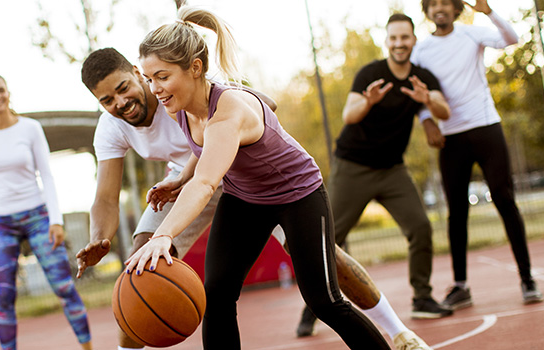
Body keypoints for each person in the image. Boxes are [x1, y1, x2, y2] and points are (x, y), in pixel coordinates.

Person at [77, 47, 430, 350]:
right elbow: (106, 196)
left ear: (137, 73)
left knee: (325, 275)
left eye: (123, 88)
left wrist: (233, 113)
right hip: (193, 179)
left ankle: (399, 331)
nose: (120, 103)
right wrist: (100, 237)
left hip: (251, 178)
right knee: (142, 264)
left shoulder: (188, 90)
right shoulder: (120, 124)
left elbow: (259, 108)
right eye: (106, 100)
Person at [126, 7, 392, 349]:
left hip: (298, 196)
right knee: (217, 293)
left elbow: (206, 183)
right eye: (149, 79)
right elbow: (205, 148)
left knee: (325, 302)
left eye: (162, 77)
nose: (155, 89)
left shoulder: (229, 110)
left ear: (195, 68)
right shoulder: (183, 106)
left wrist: (163, 234)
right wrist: (180, 179)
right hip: (246, 199)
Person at [296, 13, 453, 335]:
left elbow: (444, 110)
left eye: (405, 37)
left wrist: (426, 101)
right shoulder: (371, 74)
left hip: (392, 170)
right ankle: (313, 307)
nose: (399, 43)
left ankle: (422, 298)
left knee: (420, 227)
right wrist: (368, 102)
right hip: (353, 167)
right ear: (387, 41)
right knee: (329, 237)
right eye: (394, 38)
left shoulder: (421, 78)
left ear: (413, 40)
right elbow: (349, 115)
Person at [411, 0, 544, 309]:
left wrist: (489, 12)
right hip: (451, 137)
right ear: (427, 11)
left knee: (504, 198)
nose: (440, 8)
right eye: (433, 4)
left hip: (486, 127)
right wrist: (427, 121)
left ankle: (527, 279)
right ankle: (461, 286)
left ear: (456, 8)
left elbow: (511, 39)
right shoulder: (421, 51)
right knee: (456, 212)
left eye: (446, 3)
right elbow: (417, 93)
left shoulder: (472, 34)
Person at [0, 74, 92, 350]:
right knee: (4, 297)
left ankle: (87, 347)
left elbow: (47, 175)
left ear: (8, 93)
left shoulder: (30, 128)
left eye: (1, 90)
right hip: (0, 222)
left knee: (63, 286)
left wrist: (56, 220)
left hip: (37, 217)